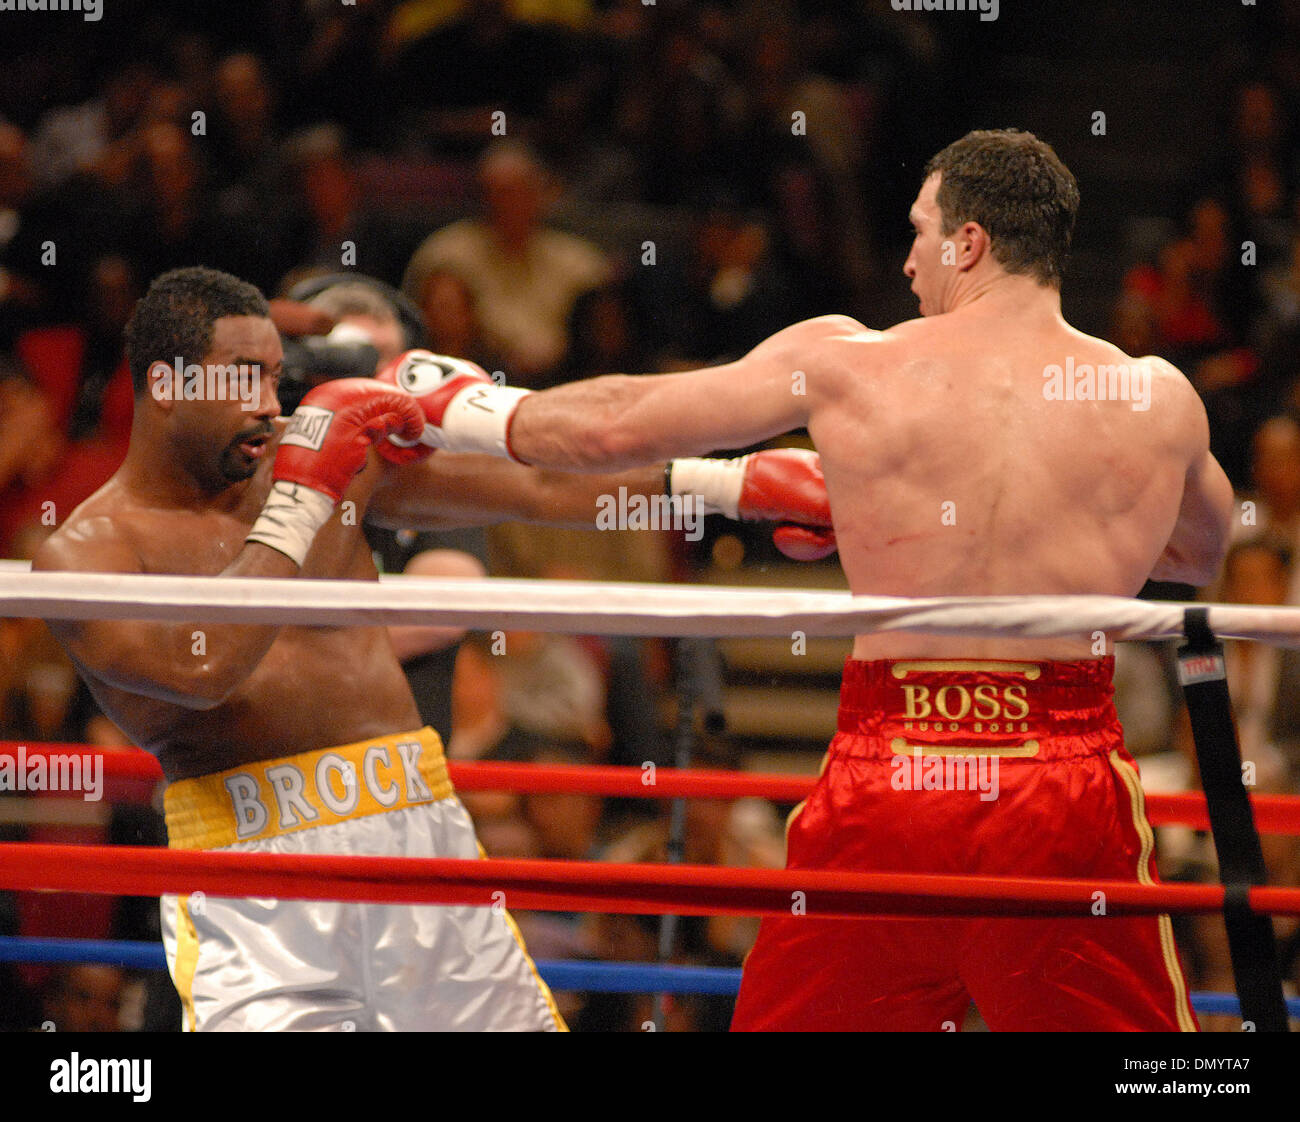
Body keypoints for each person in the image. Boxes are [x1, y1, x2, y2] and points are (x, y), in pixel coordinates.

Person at [384, 130, 1236, 1031]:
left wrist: (465, 405)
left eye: (920, 231)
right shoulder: (1157, 396)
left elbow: (616, 426)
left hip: (894, 775)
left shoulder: (850, 363)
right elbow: (1194, 559)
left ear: (970, 243)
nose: (909, 261)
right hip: (1061, 782)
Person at [31, 266, 833, 1031]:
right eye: (244, 376)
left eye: (277, 378)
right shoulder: (89, 551)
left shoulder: (303, 466)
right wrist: (302, 505)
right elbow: (199, 671)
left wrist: (732, 486)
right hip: (254, 873)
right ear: (166, 385)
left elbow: (541, 490)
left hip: (414, 831)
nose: (270, 405)